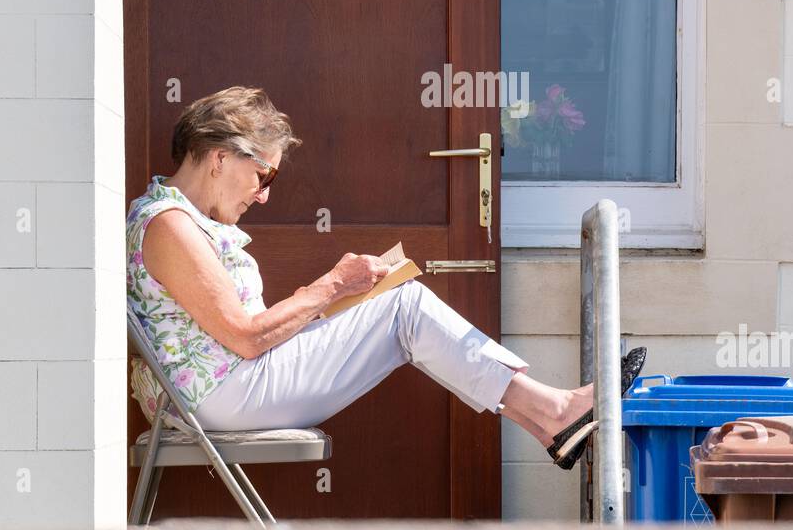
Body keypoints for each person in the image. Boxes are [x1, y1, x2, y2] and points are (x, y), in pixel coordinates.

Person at [126, 85, 603, 466]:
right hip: (219, 396)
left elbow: (235, 332)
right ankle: (554, 413)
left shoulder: (173, 220)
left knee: (396, 308)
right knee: (405, 307)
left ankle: (549, 421)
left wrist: (333, 300)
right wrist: (332, 284)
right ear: (220, 157)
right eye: (264, 176)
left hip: (219, 390)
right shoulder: (170, 226)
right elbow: (246, 338)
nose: (264, 195)